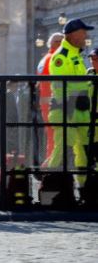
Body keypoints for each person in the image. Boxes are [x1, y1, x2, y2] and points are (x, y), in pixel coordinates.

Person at [45, 19, 95, 188]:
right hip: (66, 108)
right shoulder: (62, 56)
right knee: (63, 149)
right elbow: (62, 85)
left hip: (80, 108)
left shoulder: (76, 55)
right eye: (83, 32)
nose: (86, 36)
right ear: (73, 35)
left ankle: (85, 186)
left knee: (85, 151)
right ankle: (51, 187)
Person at [38, 32, 64, 164]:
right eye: (61, 41)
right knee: (57, 138)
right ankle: (50, 167)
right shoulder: (55, 58)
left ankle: (49, 165)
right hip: (55, 103)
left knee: (51, 137)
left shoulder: (44, 59)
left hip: (46, 102)